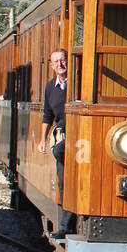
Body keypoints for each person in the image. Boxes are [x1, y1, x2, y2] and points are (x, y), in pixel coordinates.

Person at [39, 49, 74, 239]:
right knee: (63, 181)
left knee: (62, 159)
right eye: (56, 62)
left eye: (63, 60)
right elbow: (48, 114)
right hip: (63, 135)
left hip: (78, 136)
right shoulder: (50, 87)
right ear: (51, 66)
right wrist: (42, 139)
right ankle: (66, 225)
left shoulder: (76, 83)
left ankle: (68, 224)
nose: (60, 65)